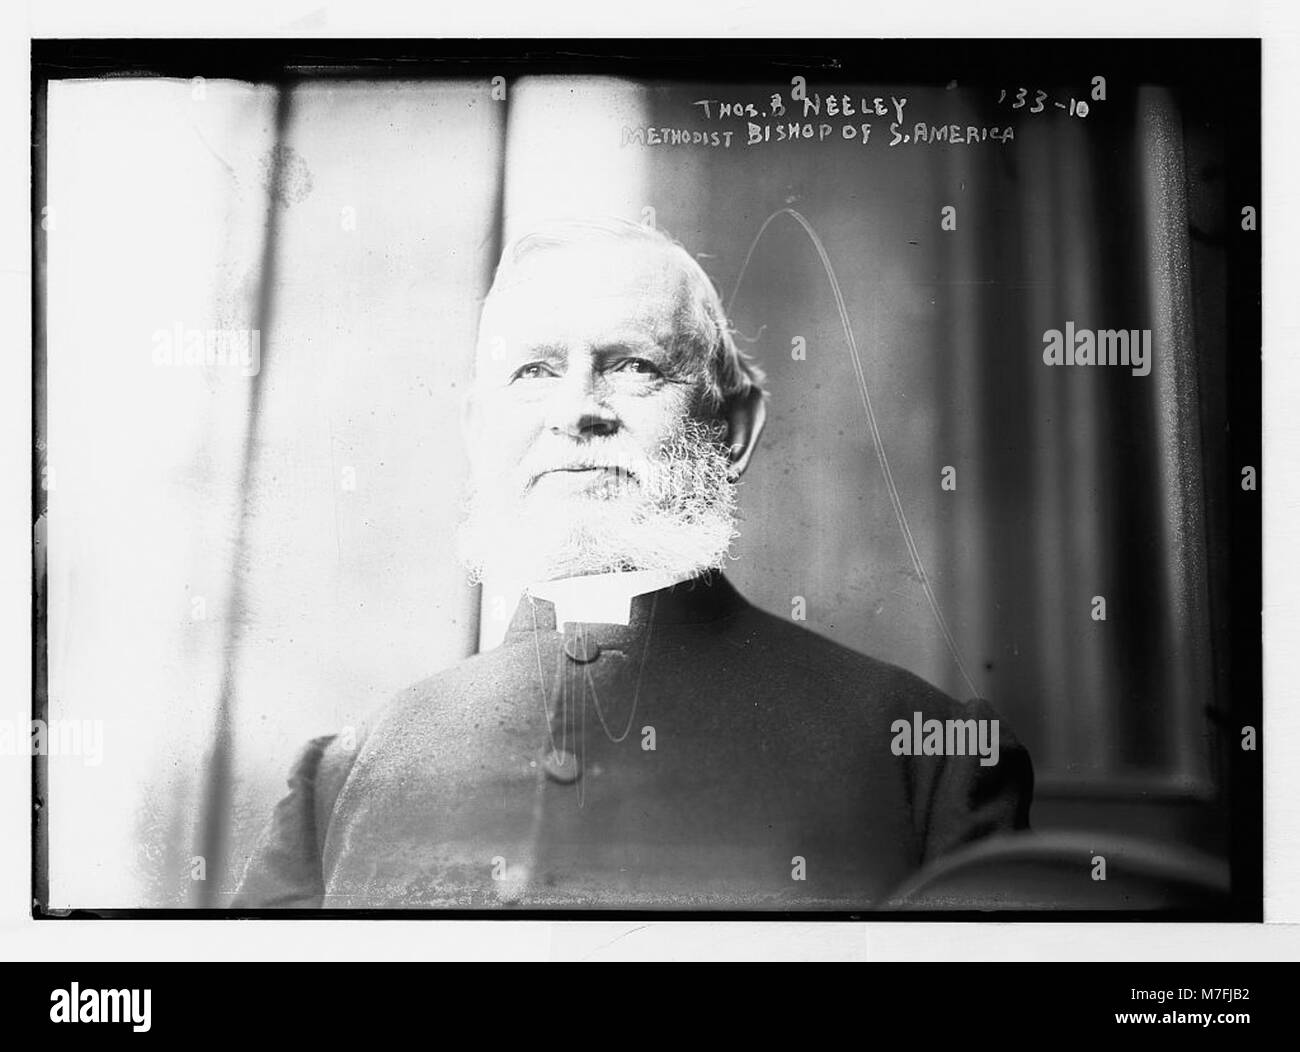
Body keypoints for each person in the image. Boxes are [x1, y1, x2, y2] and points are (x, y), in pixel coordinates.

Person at [232, 217, 1032, 909]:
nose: (576, 409)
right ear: (479, 434)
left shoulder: (930, 760)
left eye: (632, 366)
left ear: (733, 429)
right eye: (535, 371)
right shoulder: (342, 778)